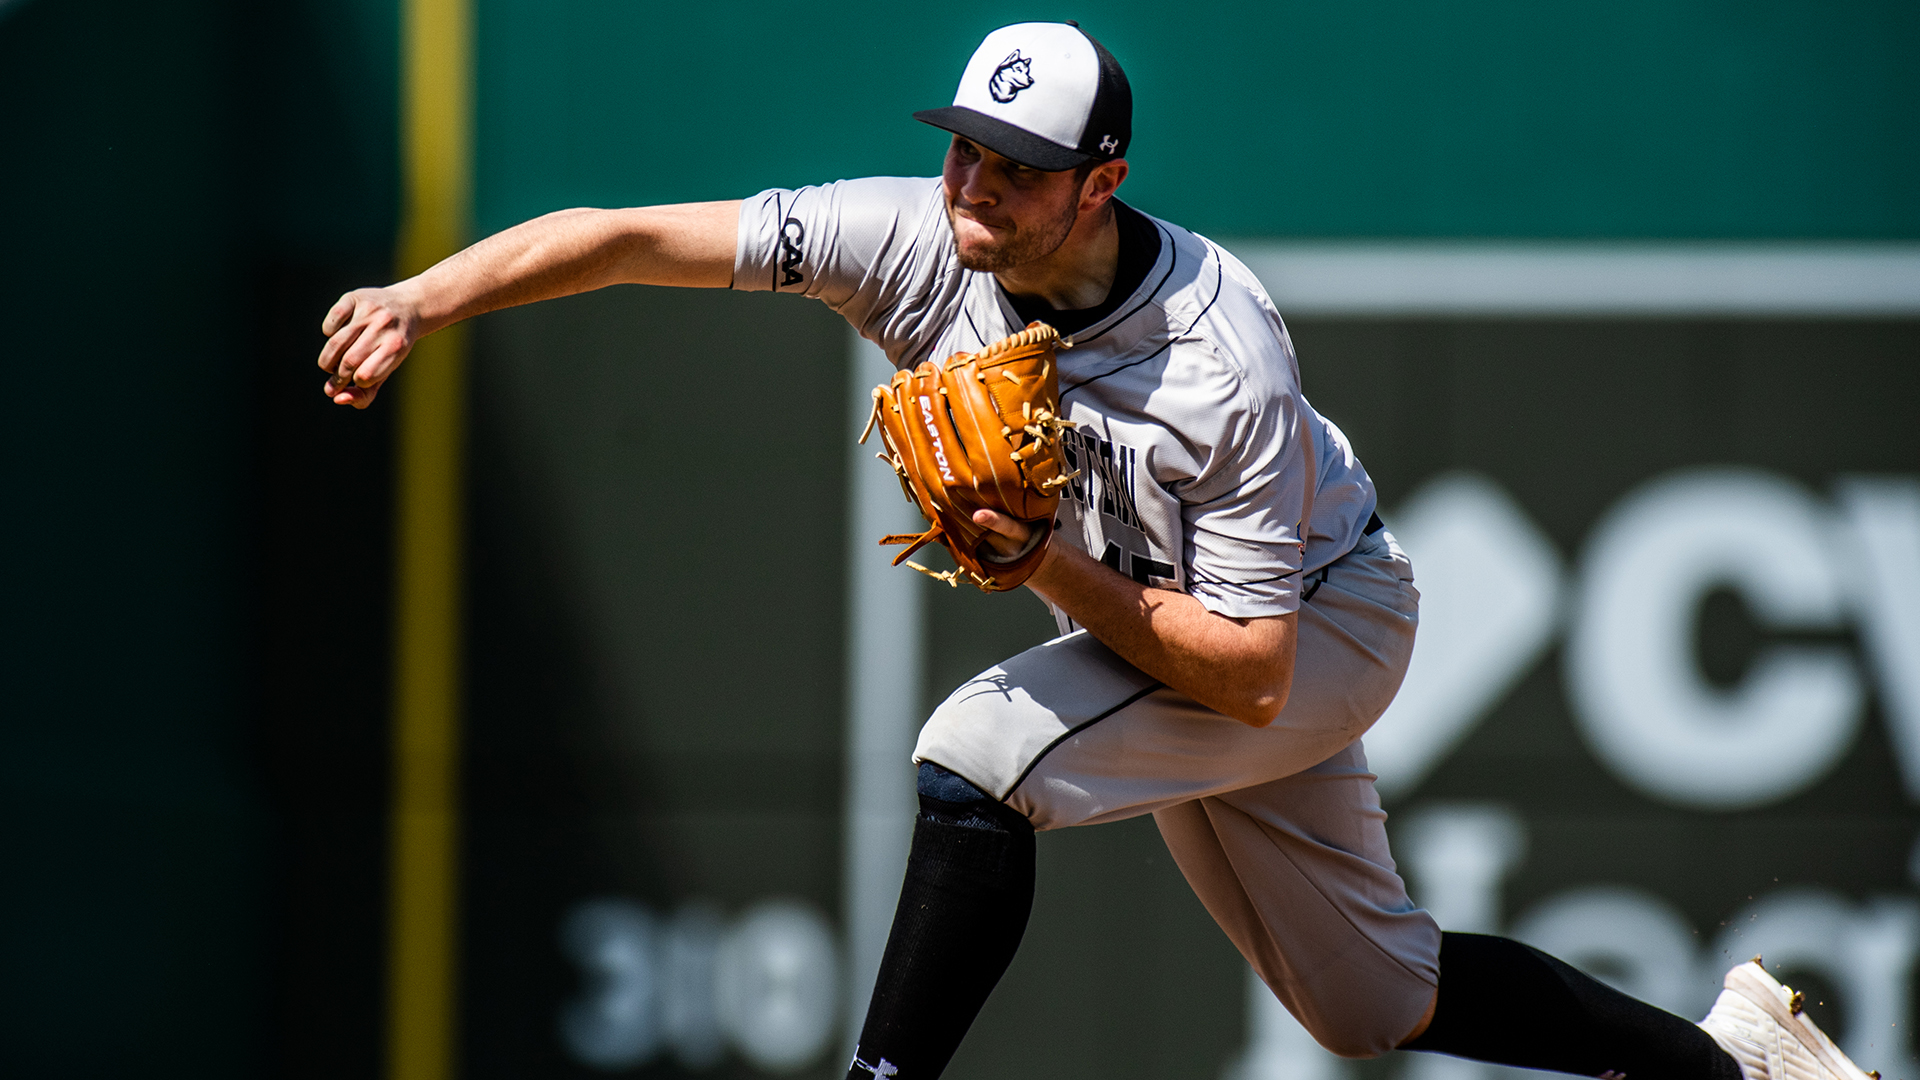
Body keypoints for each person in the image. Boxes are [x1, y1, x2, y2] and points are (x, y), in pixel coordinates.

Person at [317, 21, 1877, 1080]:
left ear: (1102, 182)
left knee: (975, 752)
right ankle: (1734, 1064)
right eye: (963, 149)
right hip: (1181, 626)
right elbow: (628, 231)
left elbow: (1256, 684)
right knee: (1366, 1003)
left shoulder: (1219, 351)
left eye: (1013, 165)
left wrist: (1046, 563)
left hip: (1317, 629)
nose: (970, 185)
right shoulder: (917, 239)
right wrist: (426, 300)